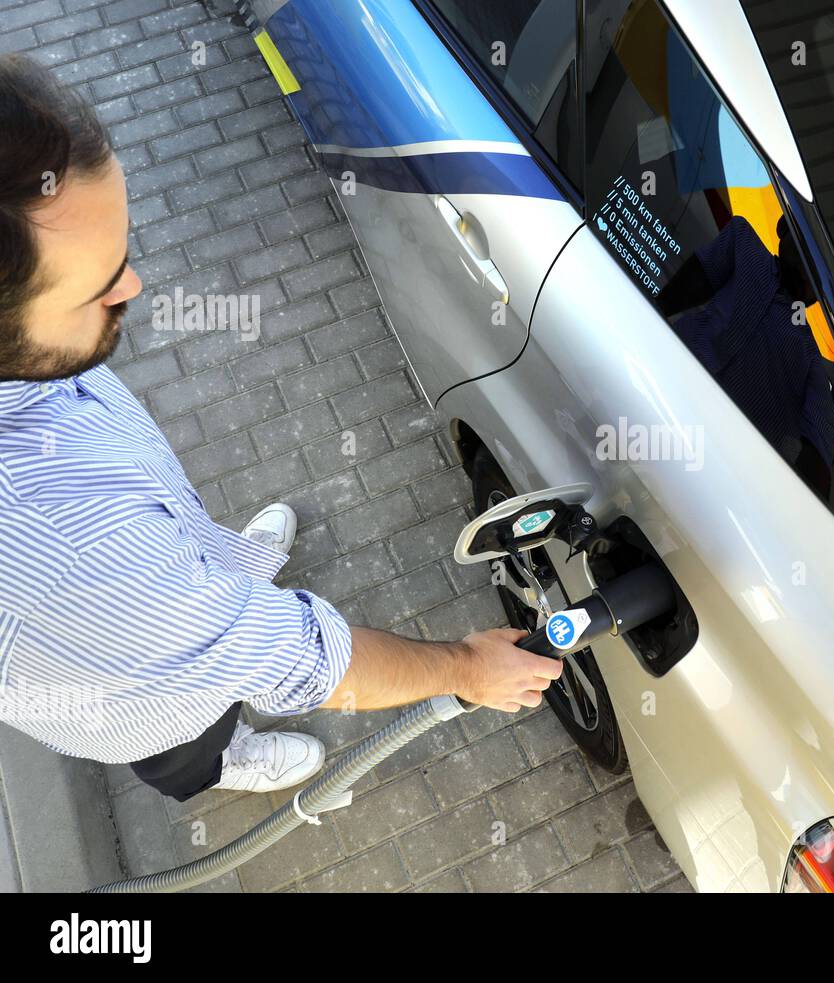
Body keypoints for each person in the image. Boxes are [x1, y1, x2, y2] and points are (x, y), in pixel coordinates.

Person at [0, 54, 561, 802]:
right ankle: (224, 758)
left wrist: (202, 580)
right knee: (184, 735)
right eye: (98, 289)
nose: (132, 287)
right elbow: (300, 658)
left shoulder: (26, 363)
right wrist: (467, 666)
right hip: (138, 690)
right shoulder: (82, 557)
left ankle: (223, 572)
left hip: (152, 590)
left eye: (121, 258)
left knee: (201, 598)